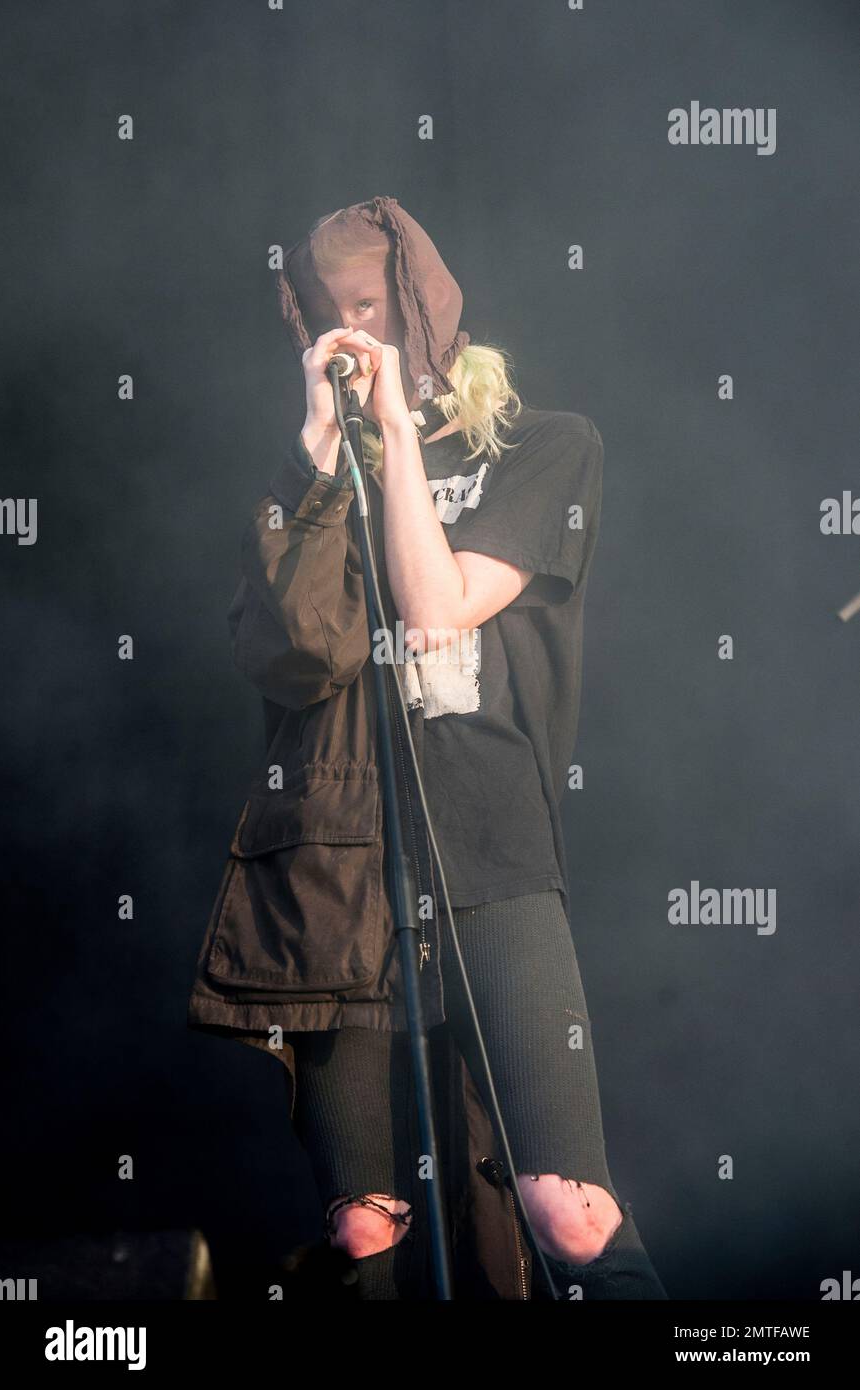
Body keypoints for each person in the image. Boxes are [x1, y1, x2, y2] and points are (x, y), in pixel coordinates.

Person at [187, 196, 668, 1300]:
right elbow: (300, 656)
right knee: (366, 1228)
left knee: (567, 1209)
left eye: (368, 307)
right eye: (323, 316)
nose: (347, 337)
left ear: (420, 305)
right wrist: (316, 468)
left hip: (490, 847)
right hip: (336, 866)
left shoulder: (547, 447)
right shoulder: (302, 483)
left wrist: (401, 436)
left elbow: (441, 604)